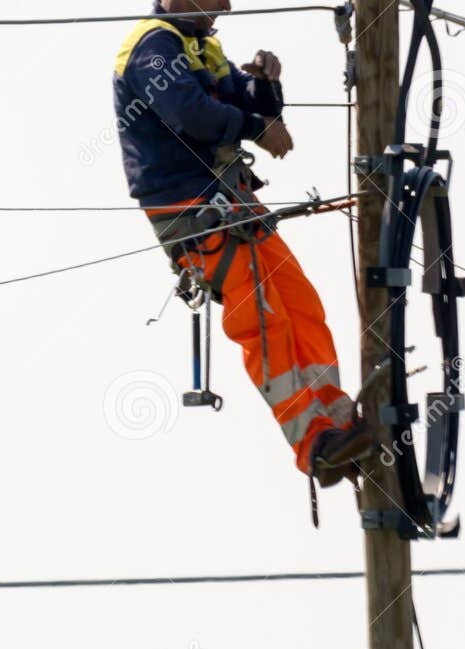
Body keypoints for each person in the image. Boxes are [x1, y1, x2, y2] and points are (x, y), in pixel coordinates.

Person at [114, 0, 373, 487]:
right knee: (261, 321)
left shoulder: (198, 45)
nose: (227, 5)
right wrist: (257, 127)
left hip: (229, 200)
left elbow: (239, 101)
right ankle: (314, 445)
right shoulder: (153, 46)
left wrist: (265, 87)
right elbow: (189, 114)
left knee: (300, 306)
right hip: (190, 208)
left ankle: (338, 424)